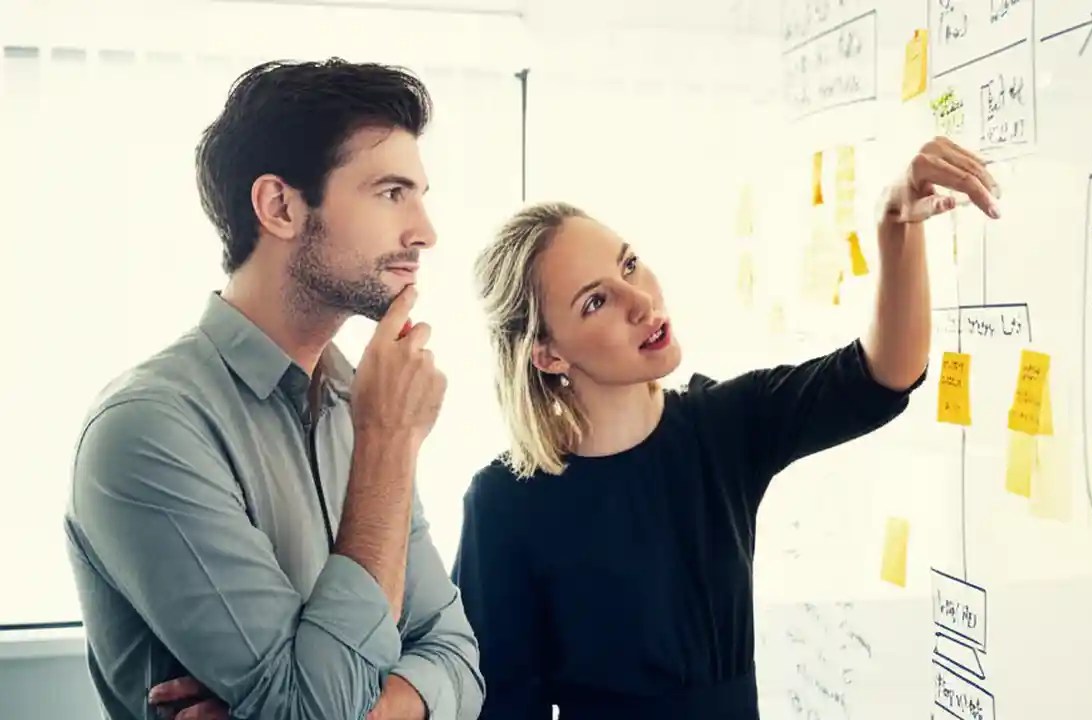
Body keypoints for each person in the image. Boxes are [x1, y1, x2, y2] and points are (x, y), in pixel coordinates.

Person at [451, 137, 1001, 718]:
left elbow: (882, 377)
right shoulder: (505, 503)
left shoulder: (721, 427)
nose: (640, 300)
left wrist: (895, 229)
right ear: (548, 355)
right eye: (595, 302)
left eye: (630, 263)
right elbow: (500, 706)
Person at [64, 59, 483, 720]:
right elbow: (316, 709)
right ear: (281, 207)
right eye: (390, 192)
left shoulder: (362, 404)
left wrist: (345, 710)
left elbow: (458, 657)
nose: (424, 230)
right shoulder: (148, 428)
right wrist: (387, 446)